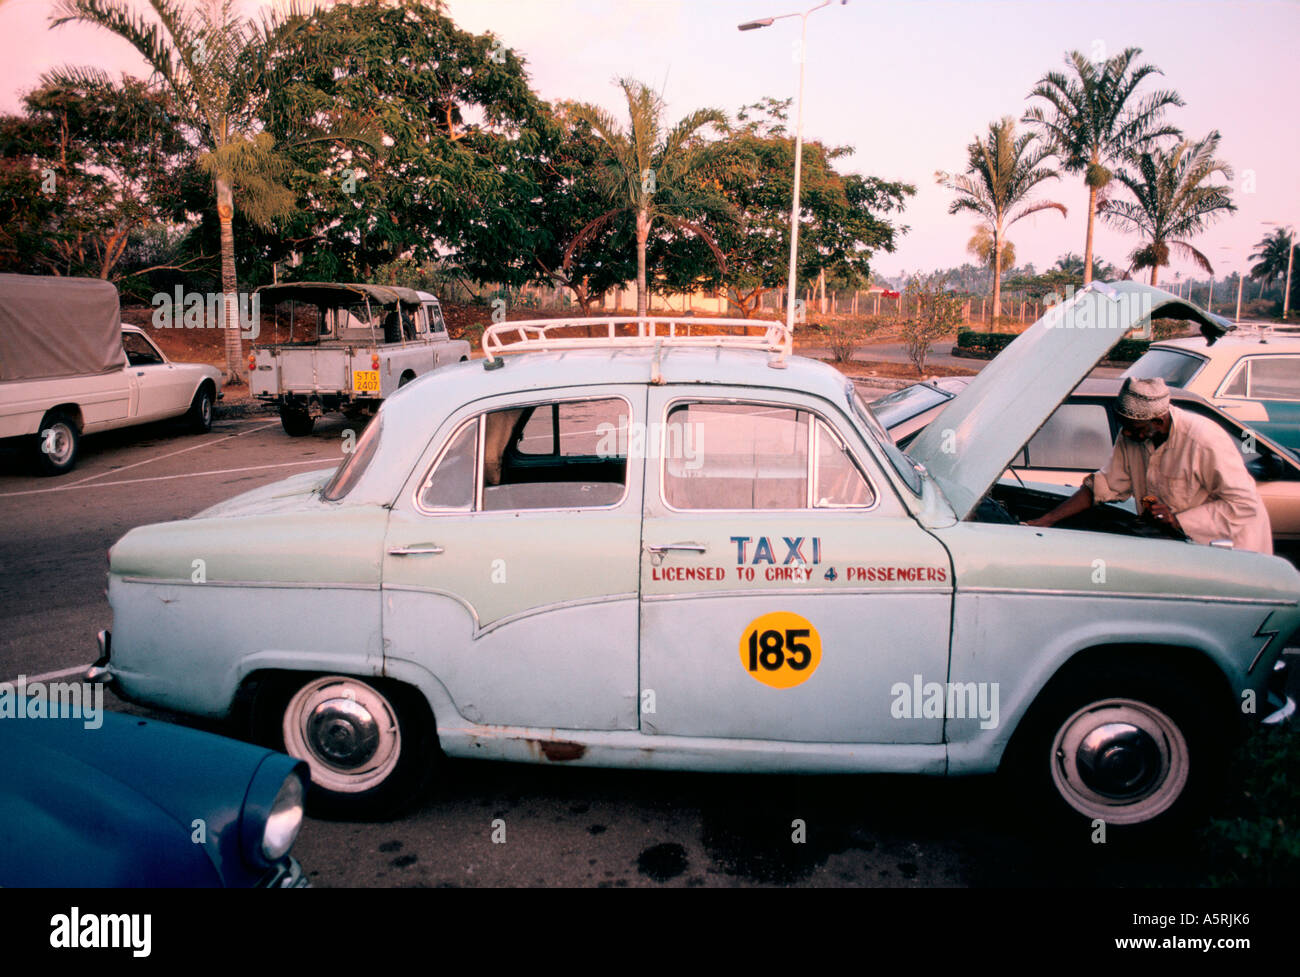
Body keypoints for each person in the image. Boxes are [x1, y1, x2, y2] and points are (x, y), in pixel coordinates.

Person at [1026, 376, 1273, 554]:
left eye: (1135, 429)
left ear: (1159, 420)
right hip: (1180, 548)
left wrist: (1179, 520)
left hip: (1232, 551)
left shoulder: (1203, 439)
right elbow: (1103, 486)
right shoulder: (1132, 433)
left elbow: (1244, 504)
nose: (1128, 436)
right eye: (1124, 427)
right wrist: (1047, 520)